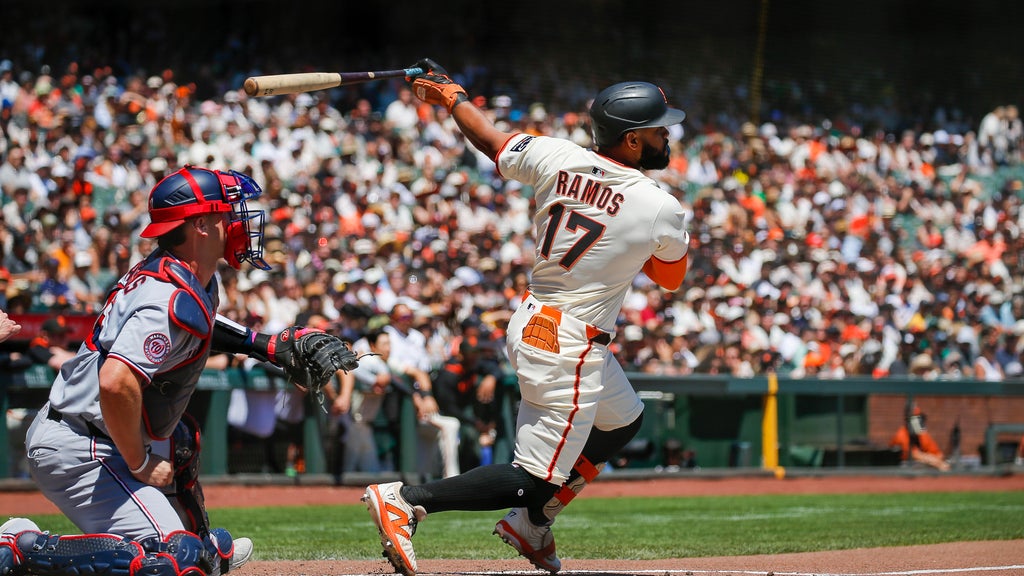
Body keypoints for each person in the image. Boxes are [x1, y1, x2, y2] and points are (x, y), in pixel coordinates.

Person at [363, 59, 690, 576]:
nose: (666, 136)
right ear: (630, 141)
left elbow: (490, 139)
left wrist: (452, 98)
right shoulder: (658, 205)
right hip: (572, 344)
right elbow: (670, 278)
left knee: (623, 421)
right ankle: (406, 498)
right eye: (657, 129)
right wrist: (626, 242)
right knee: (532, 476)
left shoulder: (555, 154)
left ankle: (532, 524)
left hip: (535, 318)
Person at [2, 165, 352, 576]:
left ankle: (199, 543)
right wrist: (139, 462)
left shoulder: (187, 275)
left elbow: (197, 322)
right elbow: (116, 382)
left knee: (180, 440)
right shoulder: (163, 296)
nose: (238, 220)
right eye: (227, 211)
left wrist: (264, 345)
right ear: (201, 224)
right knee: (170, 563)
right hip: (83, 446)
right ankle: (23, 545)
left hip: (99, 432)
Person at [889, 405, 950, 472]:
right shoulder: (901, 434)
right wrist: (936, 462)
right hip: (903, 471)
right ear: (907, 421)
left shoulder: (922, 434)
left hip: (925, 470)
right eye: (915, 419)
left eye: (919, 418)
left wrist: (936, 461)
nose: (918, 422)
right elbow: (915, 455)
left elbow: (938, 454)